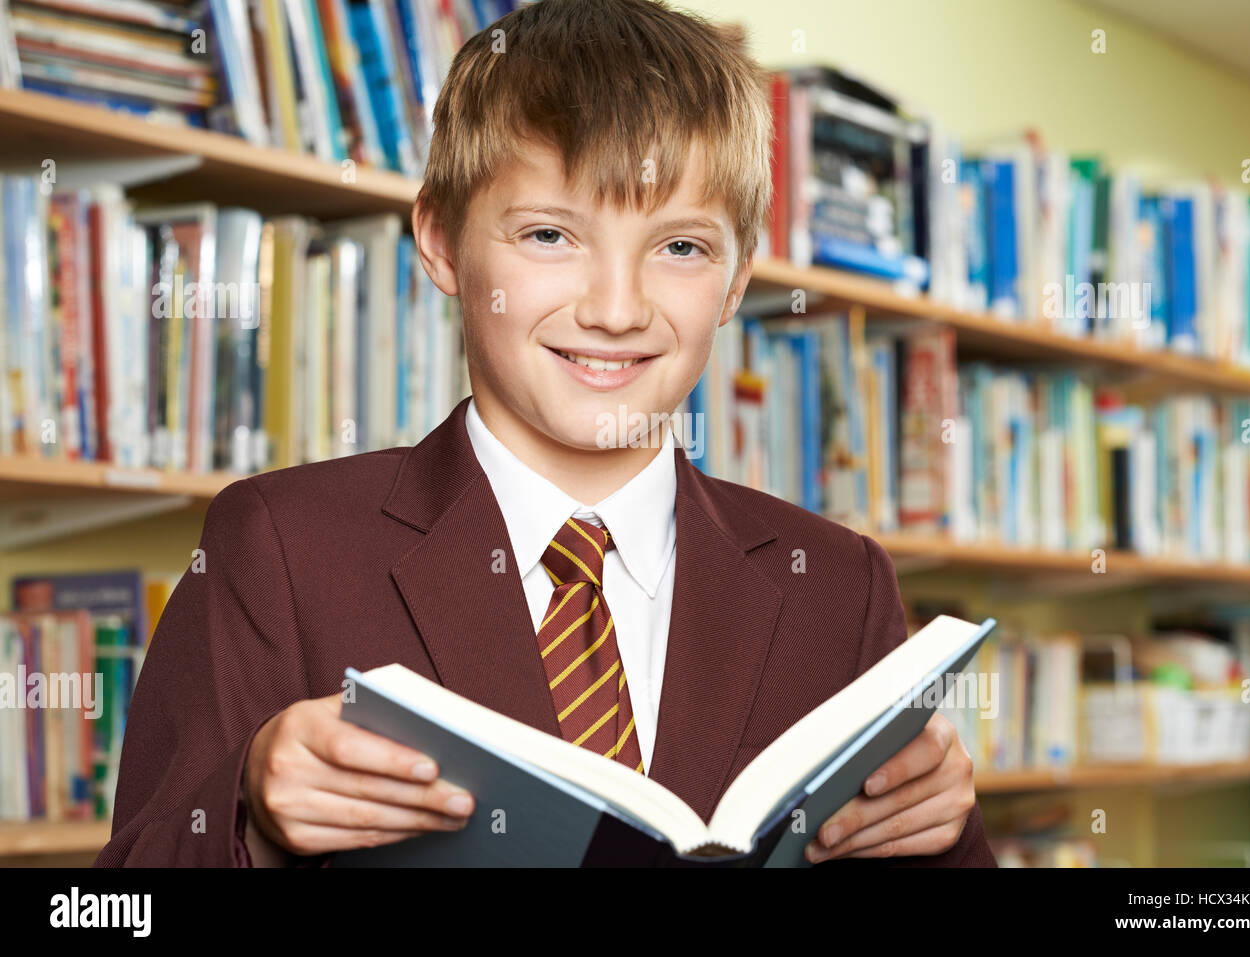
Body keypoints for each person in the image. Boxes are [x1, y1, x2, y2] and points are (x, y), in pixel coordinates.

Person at [96, 0, 995, 867]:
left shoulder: (841, 588)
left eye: (680, 247)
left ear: (734, 282)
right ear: (443, 243)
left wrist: (942, 836)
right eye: (549, 235)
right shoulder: (280, 547)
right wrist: (250, 811)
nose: (616, 309)